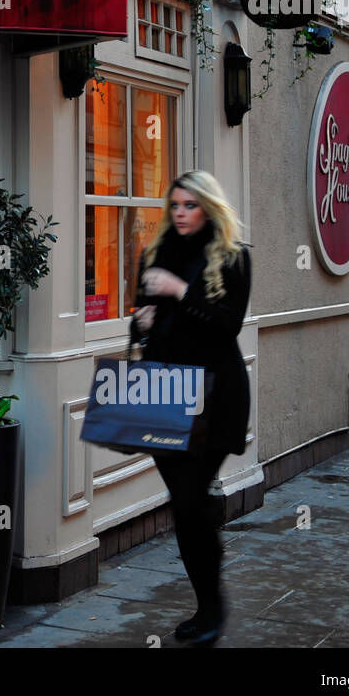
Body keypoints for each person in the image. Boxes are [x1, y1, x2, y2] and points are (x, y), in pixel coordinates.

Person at [130, 170, 252, 647]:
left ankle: (210, 608)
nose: (180, 213)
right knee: (187, 506)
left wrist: (179, 292)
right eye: (175, 205)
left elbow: (227, 327)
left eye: (190, 205)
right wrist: (141, 322)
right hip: (164, 397)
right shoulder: (155, 254)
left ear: (209, 208)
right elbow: (144, 333)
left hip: (215, 398)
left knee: (191, 501)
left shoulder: (233, 258)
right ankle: (209, 603)